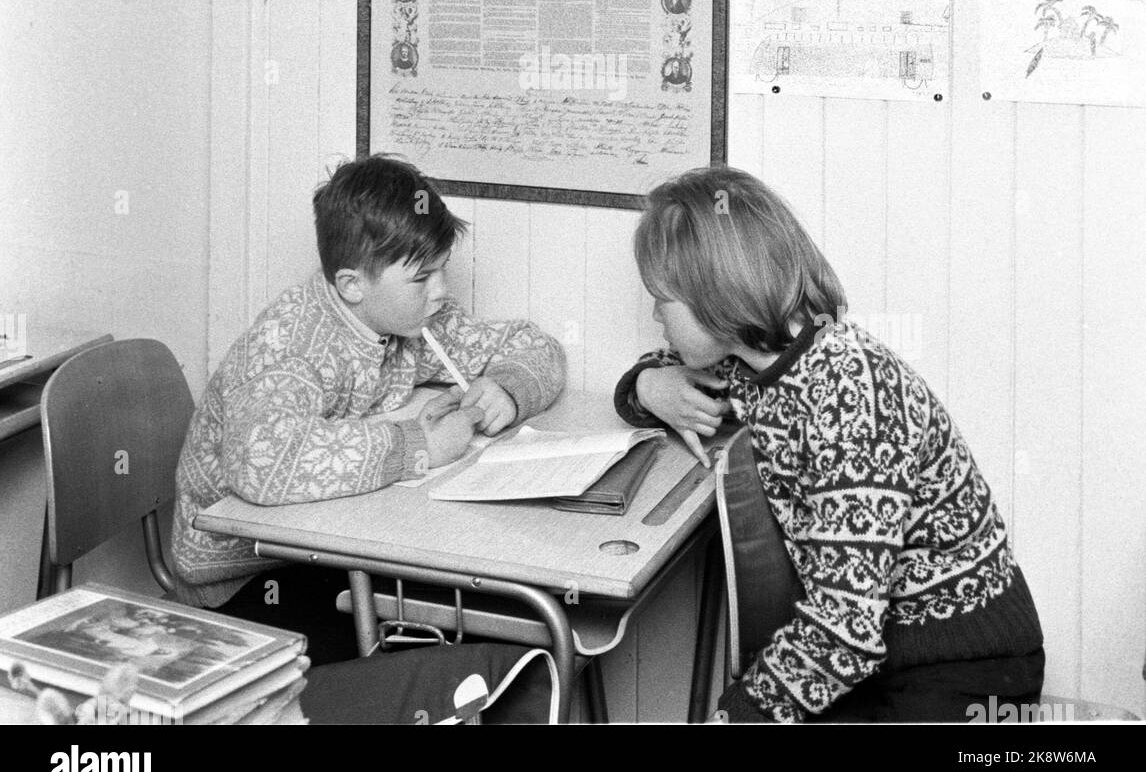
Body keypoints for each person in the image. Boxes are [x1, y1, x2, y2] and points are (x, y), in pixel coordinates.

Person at [613, 165, 1044, 724]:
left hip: (964, 669)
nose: (653, 316)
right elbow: (645, 380)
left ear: (716, 296)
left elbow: (844, 632)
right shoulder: (757, 363)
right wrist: (650, 387)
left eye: (660, 300)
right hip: (879, 658)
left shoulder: (849, 392)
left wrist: (733, 717)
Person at [171, 153, 566, 663]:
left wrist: (507, 389)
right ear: (352, 284)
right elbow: (261, 464)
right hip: (245, 580)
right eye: (423, 278)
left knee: (495, 620)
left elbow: (536, 345)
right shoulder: (291, 346)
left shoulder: (406, 322)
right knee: (444, 646)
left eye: (442, 271)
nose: (441, 292)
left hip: (333, 551)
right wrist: (417, 446)